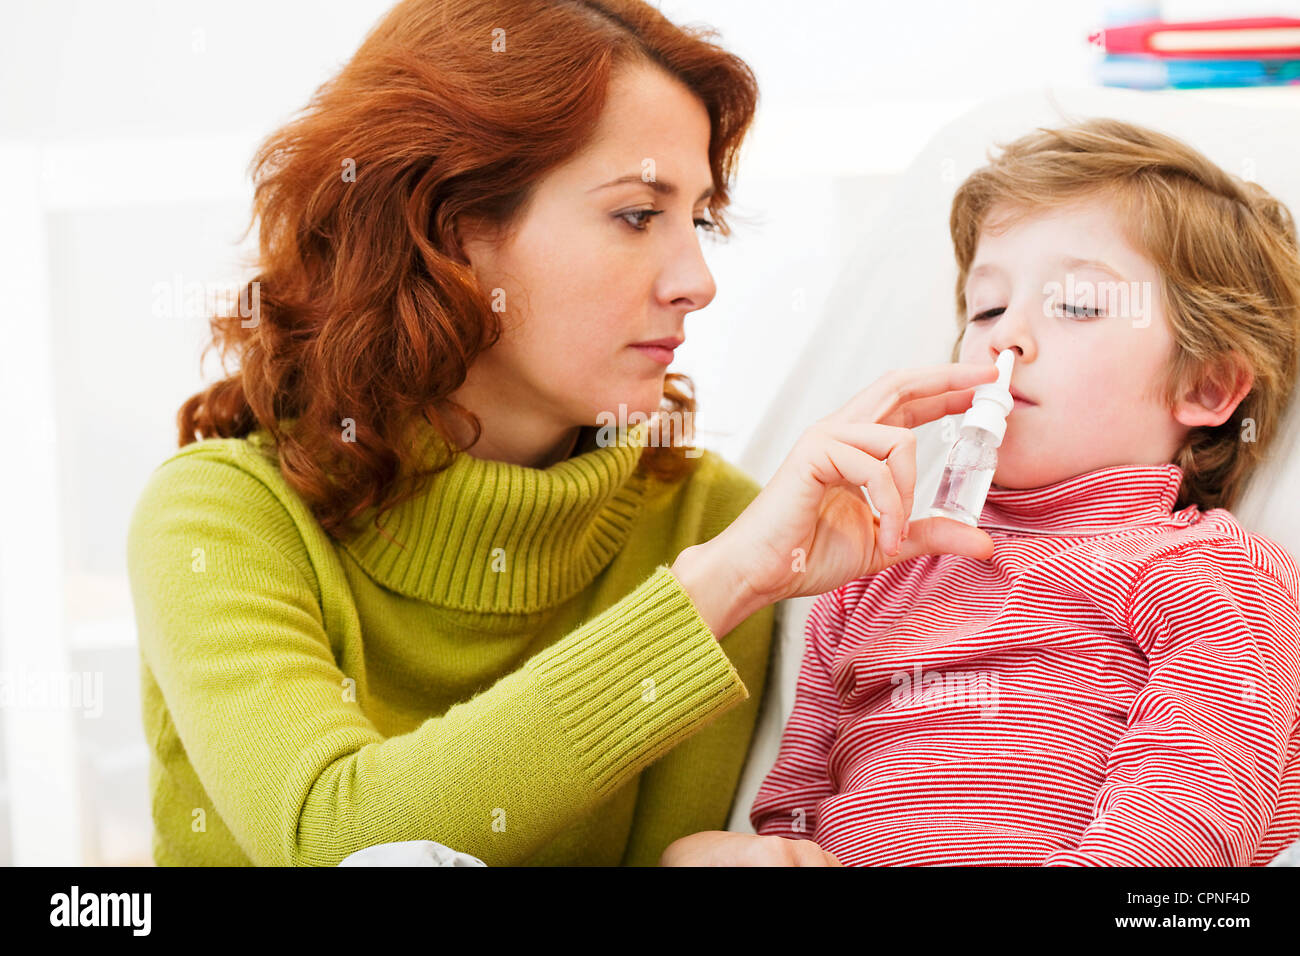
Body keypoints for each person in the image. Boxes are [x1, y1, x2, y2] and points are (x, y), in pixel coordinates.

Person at [126, 0, 995, 867]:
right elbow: (340, 842)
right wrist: (718, 585)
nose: (698, 281)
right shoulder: (218, 517)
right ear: (451, 227)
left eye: (699, 221)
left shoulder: (707, 519)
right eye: (636, 215)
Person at [663, 117, 1300, 866]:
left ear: (1208, 383)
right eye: (987, 308)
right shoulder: (875, 571)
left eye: (1079, 306)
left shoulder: (1203, 573)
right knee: (704, 857)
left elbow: (1194, 807)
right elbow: (797, 799)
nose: (1006, 338)